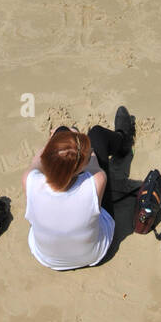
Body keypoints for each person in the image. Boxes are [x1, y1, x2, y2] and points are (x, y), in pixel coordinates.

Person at [22, 107, 134, 270]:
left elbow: (39, 159)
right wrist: (77, 138)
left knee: (62, 133)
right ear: (80, 167)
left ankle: (62, 137)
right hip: (94, 253)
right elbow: (93, 162)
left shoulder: (29, 180)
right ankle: (123, 140)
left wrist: (57, 138)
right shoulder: (97, 181)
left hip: (48, 258)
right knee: (96, 134)